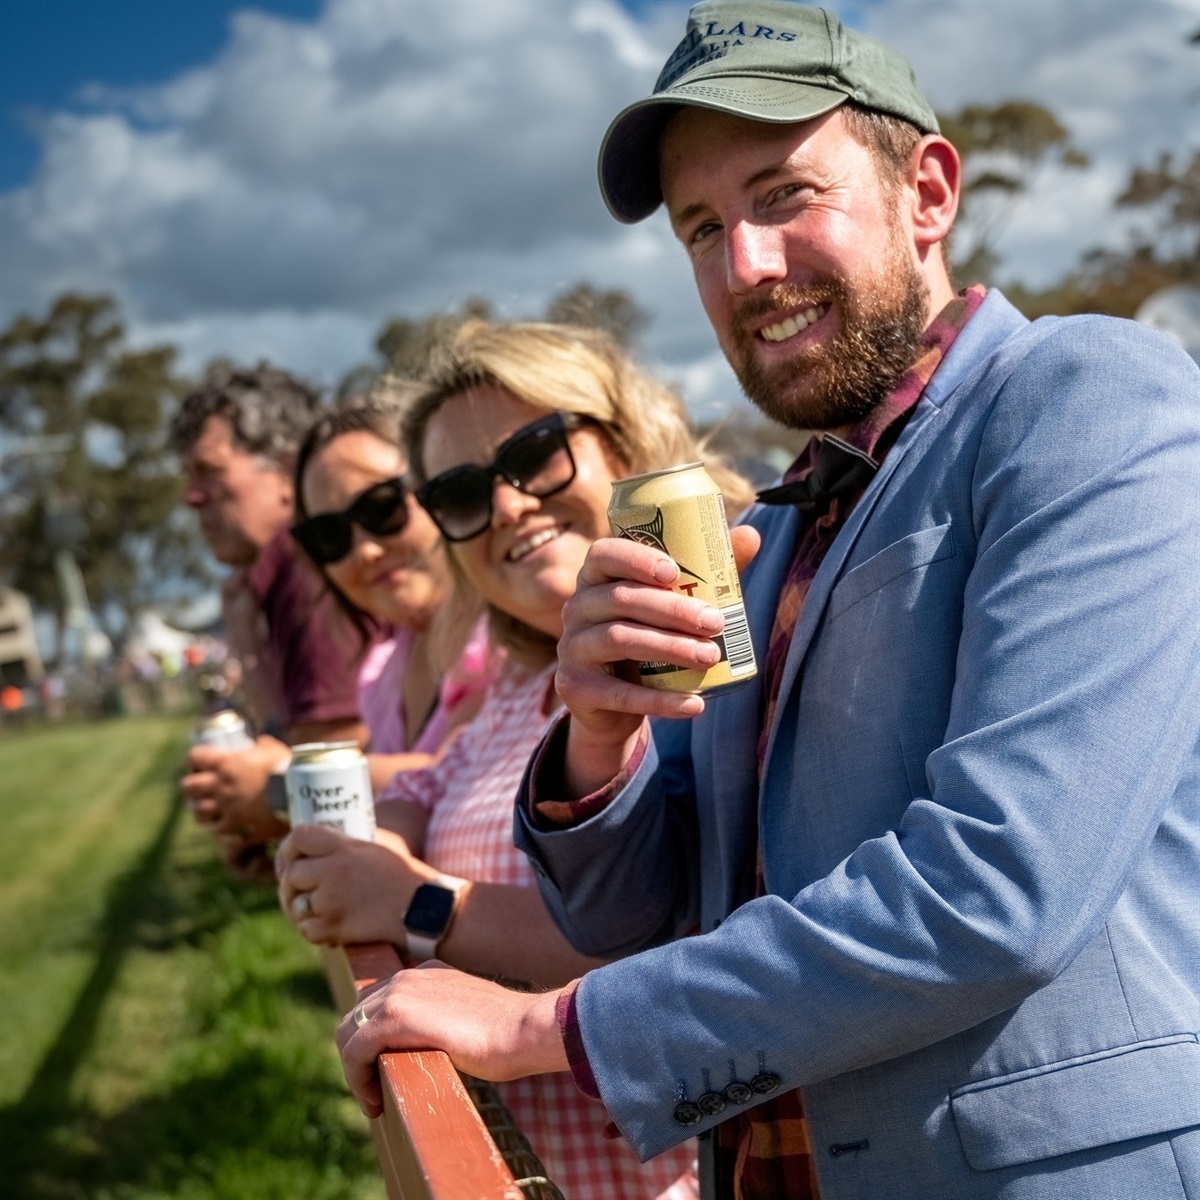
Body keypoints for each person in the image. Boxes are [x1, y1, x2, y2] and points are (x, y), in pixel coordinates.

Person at [336, 4, 1200, 1199]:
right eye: (702, 226)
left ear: (929, 191)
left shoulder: (1085, 398)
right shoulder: (776, 520)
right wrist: (598, 738)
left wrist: (547, 1031)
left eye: (786, 194)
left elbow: (1003, 885)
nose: (744, 266)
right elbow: (641, 909)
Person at [284, 319, 752, 1200]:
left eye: (535, 454)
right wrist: (368, 845)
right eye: (461, 492)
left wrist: (413, 900)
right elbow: (426, 778)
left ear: (623, 436)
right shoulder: (513, 684)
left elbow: (688, 939)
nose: (506, 507)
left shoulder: (708, 641)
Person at [181, 381, 497, 853]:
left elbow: (459, 772)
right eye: (328, 536)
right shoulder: (385, 668)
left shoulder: (503, 639)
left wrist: (279, 789)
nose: (363, 549)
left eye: (382, 507)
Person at [170, 365, 369, 874]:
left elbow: (337, 754)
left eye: (210, 472)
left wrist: (264, 809)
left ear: (285, 472)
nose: (191, 498)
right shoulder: (277, 581)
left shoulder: (310, 573)